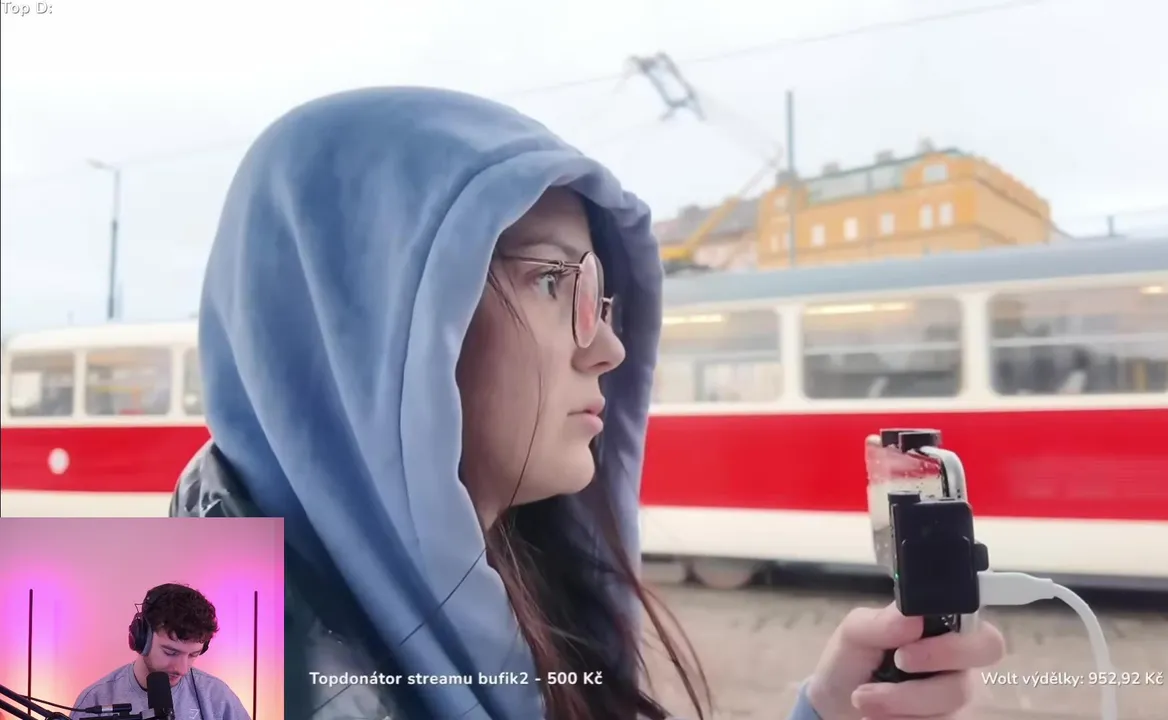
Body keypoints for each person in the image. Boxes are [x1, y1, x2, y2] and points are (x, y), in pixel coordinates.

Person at [168, 86, 1006, 719]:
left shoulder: (523, 588)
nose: (608, 346)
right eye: (549, 279)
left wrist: (826, 712)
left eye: (600, 295)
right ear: (371, 319)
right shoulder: (177, 676)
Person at [70, 583, 251, 720]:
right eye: (170, 652)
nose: (182, 669)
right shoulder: (95, 699)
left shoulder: (217, 697)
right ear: (141, 639)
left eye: (193, 655)